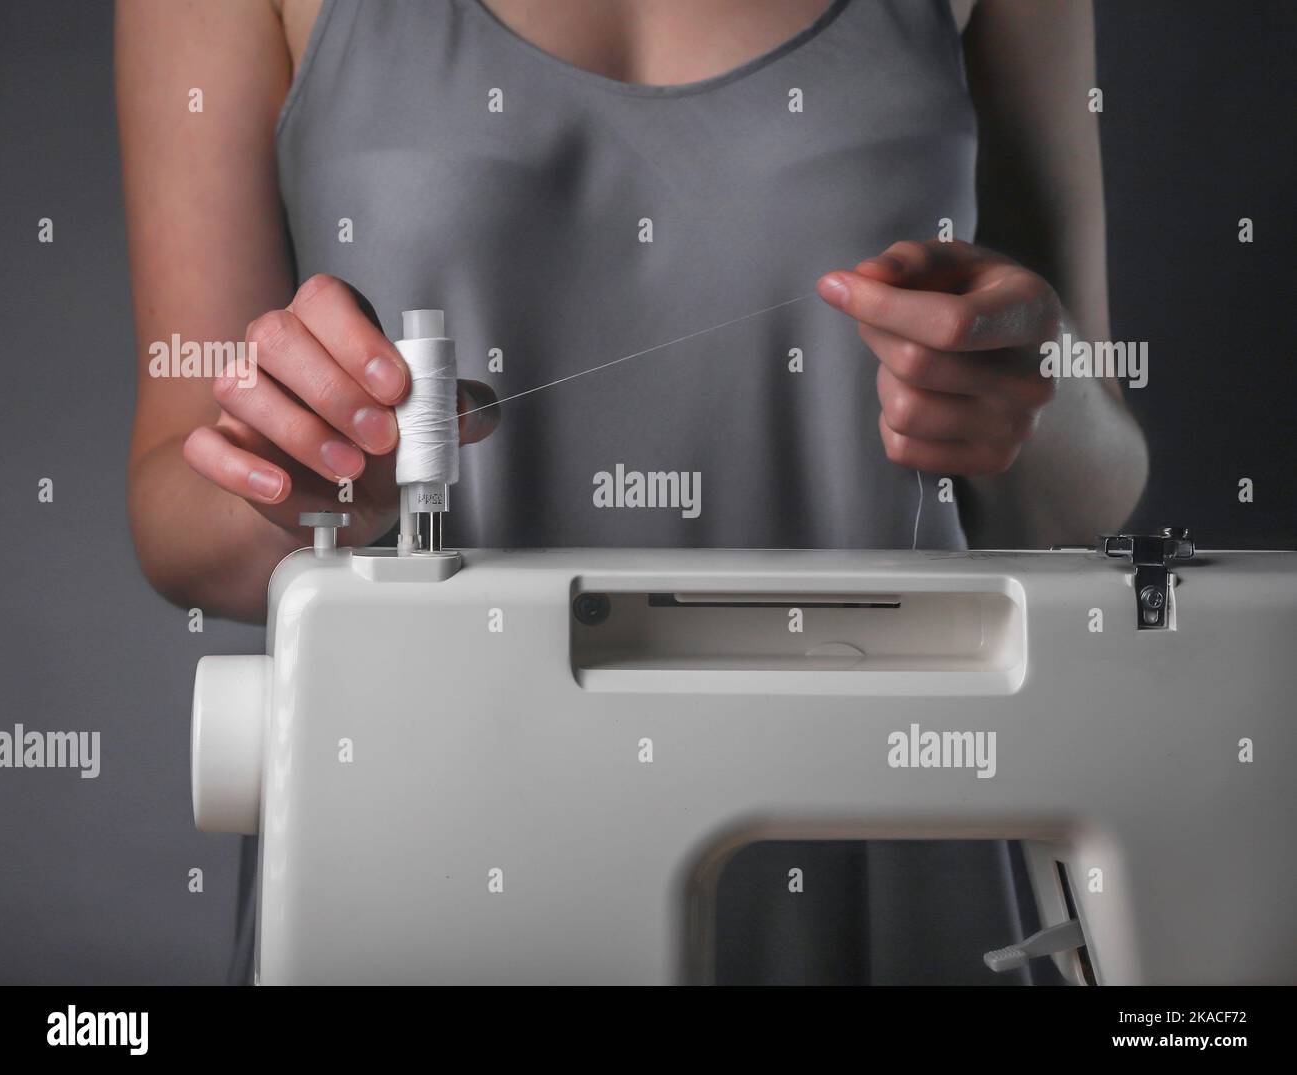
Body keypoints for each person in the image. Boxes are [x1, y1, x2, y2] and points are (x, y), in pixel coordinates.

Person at [117, 0, 1147, 984]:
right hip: (426, 820)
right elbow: (177, 517)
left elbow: (1087, 494)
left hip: (876, 817)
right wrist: (298, 481)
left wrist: (1029, 390)